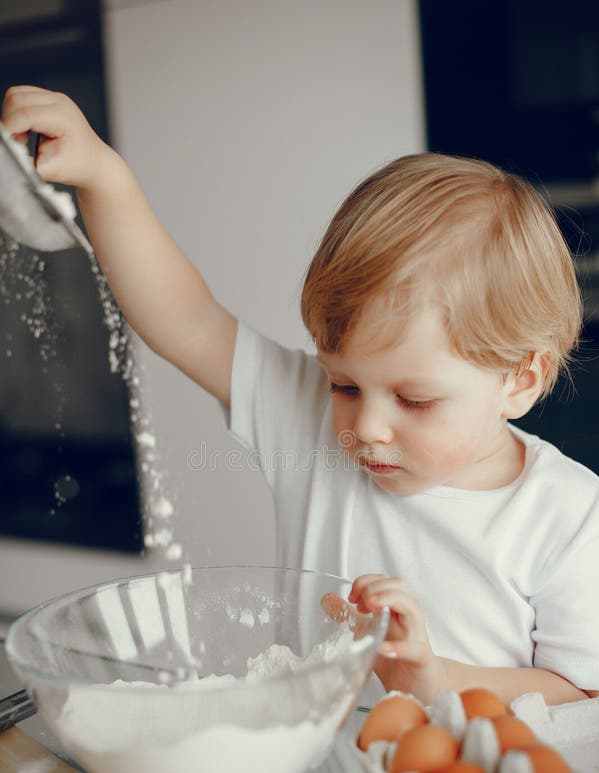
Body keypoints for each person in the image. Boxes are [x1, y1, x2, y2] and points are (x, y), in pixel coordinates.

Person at [3, 85, 598, 712]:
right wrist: (103, 178)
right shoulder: (309, 421)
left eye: (415, 400)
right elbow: (186, 320)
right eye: (344, 384)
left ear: (520, 380)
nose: (365, 426)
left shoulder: (568, 517)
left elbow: (583, 691)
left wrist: (436, 678)